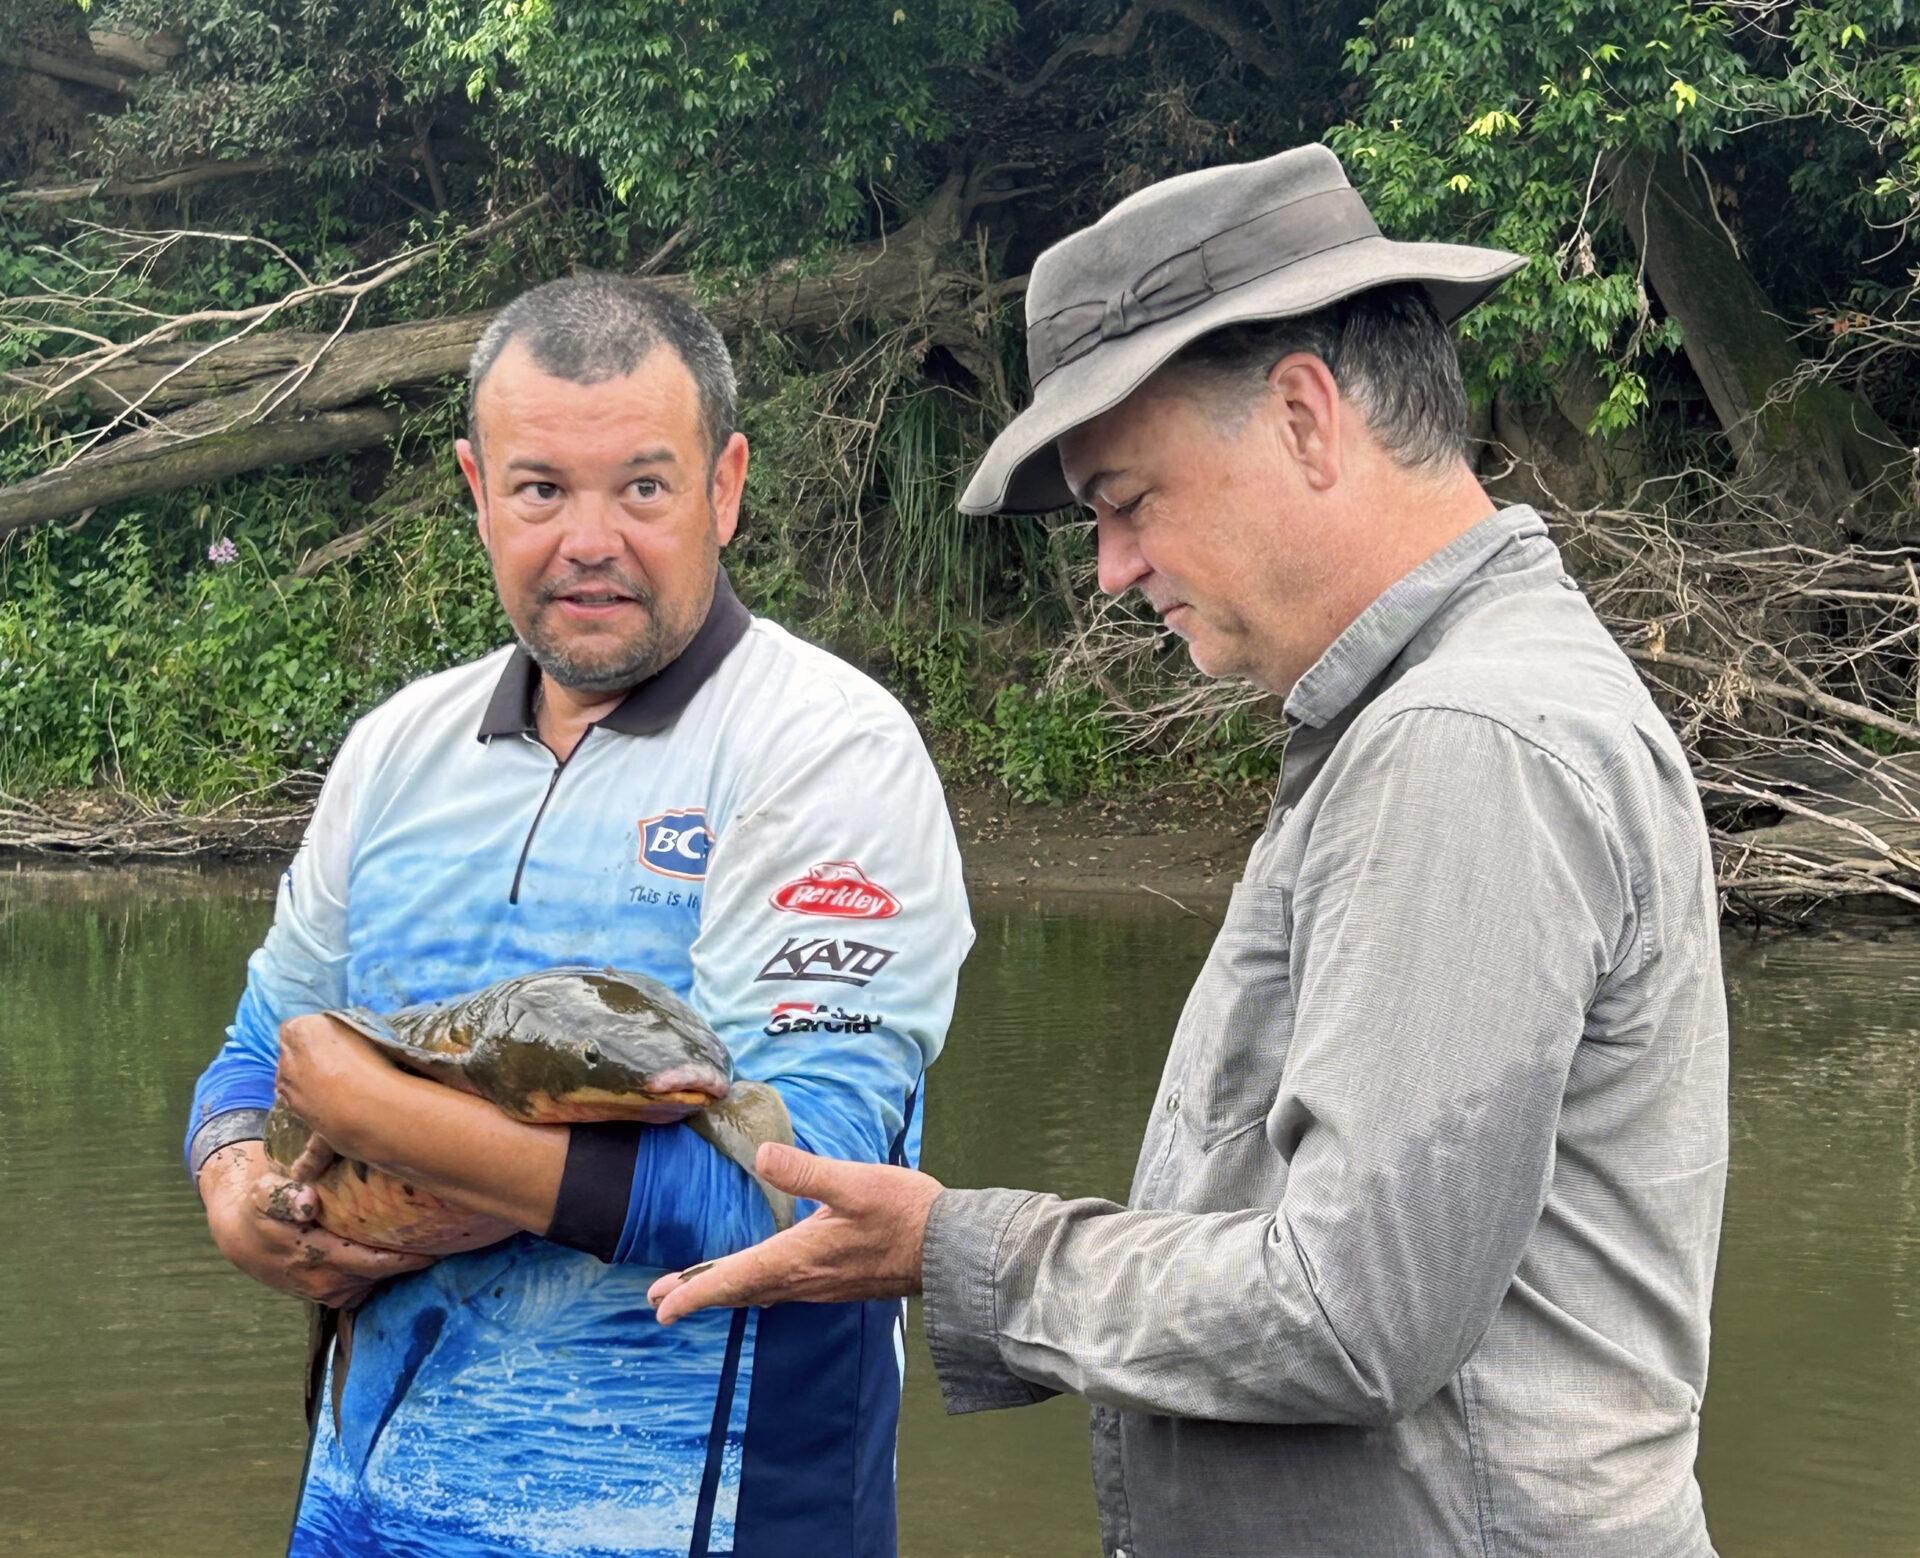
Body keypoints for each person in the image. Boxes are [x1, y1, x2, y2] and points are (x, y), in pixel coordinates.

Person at [650, 144, 1730, 1557]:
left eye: (1125, 500)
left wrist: (953, 1246)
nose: (1108, 569)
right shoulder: (1438, 708)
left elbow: (1350, 1311)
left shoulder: (1463, 738)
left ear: (1301, 416)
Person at [187, 273, 973, 1557]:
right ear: (476, 489)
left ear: (725, 486)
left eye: (644, 487)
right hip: (358, 1515)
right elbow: (253, 1052)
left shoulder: (825, 749)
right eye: (543, 486)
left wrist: (388, 1121)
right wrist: (237, 1188)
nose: (590, 537)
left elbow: (804, 1192)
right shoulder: (397, 750)